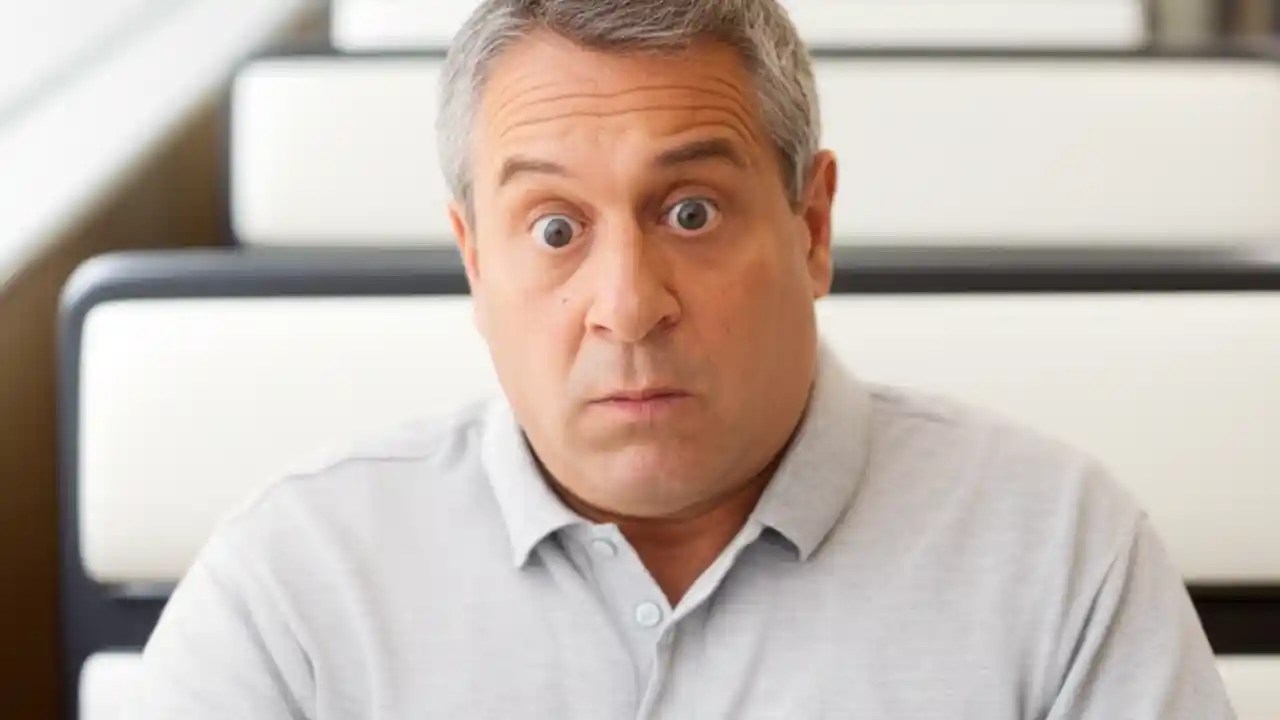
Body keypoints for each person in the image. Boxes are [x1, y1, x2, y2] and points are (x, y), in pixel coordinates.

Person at [132, 1, 1235, 717]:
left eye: (692, 211)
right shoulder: (292, 588)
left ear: (810, 228)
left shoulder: (1057, 556)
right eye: (555, 230)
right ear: (475, 263)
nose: (626, 306)